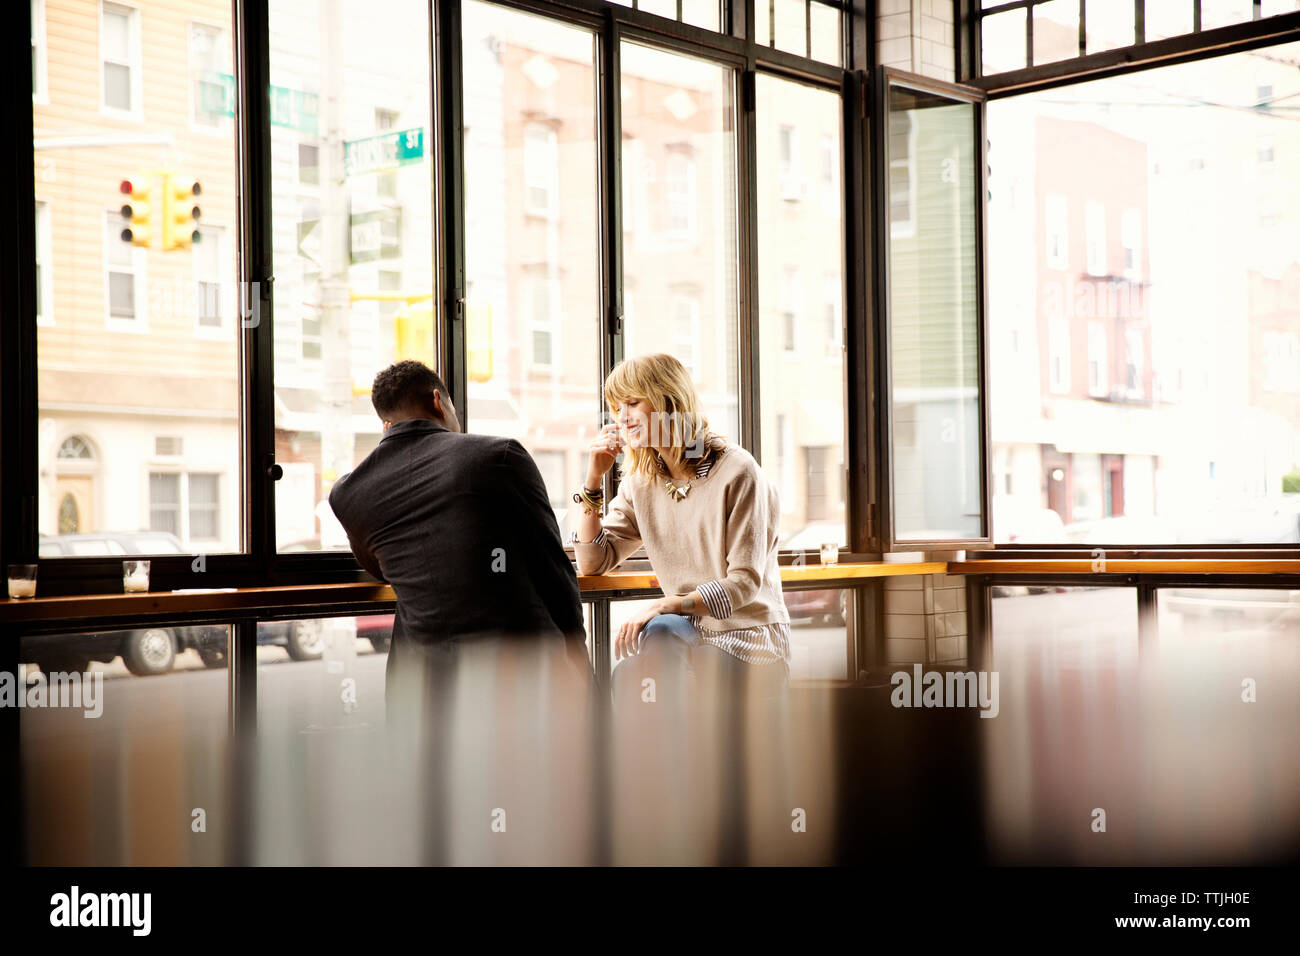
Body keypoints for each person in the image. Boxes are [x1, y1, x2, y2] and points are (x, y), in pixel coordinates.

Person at [328, 360, 594, 863]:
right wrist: (578, 662)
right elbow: (551, 565)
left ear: (384, 423)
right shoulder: (498, 455)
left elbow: (382, 569)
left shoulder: (349, 492)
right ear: (437, 401)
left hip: (425, 685)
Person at [573, 352, 791, 705]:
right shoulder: (643, 482)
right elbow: (593, 562)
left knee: (658, 659)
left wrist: (665, 606)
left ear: (667, 402)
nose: (622, 417)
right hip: (686, 633)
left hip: (747, 635)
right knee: (632, 672)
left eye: (632, 402)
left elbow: (744, 583)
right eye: (617, 408)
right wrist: (594, 479)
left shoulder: (737, 471)